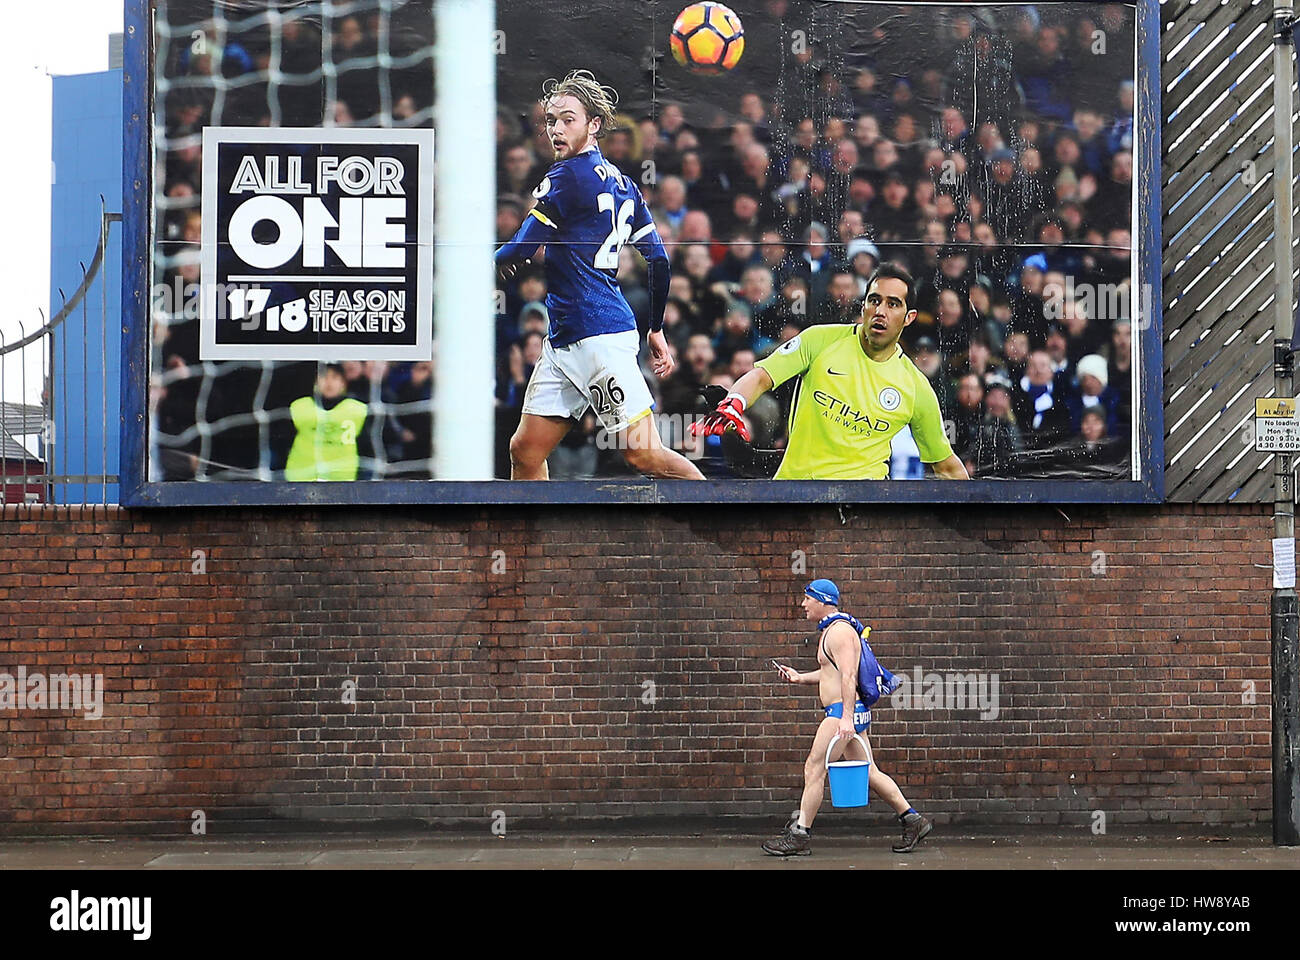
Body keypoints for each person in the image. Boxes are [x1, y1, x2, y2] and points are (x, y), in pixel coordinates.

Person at [494, 70, 704, 481]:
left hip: (599, 338)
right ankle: (533, 546)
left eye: (568, 119)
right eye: (552, 120)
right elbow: (658, 260)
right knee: (525, 450)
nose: (556, 128)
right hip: (566, 338)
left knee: (645, 456)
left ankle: (727, 521)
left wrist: (474, 264)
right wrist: (655, 328)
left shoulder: (565, 177)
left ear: (594, 126)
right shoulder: (626, 184)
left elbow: (520, 248)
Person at [692, 263, 971, 481]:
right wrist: (734, 404)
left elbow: (945, 464)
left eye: (893, 304)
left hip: (862, 508)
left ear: (909, 318)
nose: (880, 311)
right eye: (874, 300)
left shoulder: (915, 387)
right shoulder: (819, 340)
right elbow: (762, 376)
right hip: (796, 492)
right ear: (863, 306)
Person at [762, 579, 933, 856]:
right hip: (845, 713)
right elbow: (833, 673)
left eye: (807, 599)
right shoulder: (833, 630)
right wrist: (799, 677)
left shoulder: (840, 632)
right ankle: (913, 820)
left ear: (822, 601)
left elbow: (850, 676)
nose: (803, 604)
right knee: (869, 771)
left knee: (814, 768)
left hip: (840, 713)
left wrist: (846, 718)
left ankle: (799, 835)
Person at [283, 364, 368, 482]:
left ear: (343, 383)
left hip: (343, 481)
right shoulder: (299, 407)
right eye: (324, 377)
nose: (329, 382)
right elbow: (282, 442)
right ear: (315, 382)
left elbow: (367, 447)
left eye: (334, 377)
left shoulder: (357, 410)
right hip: (301, 478)